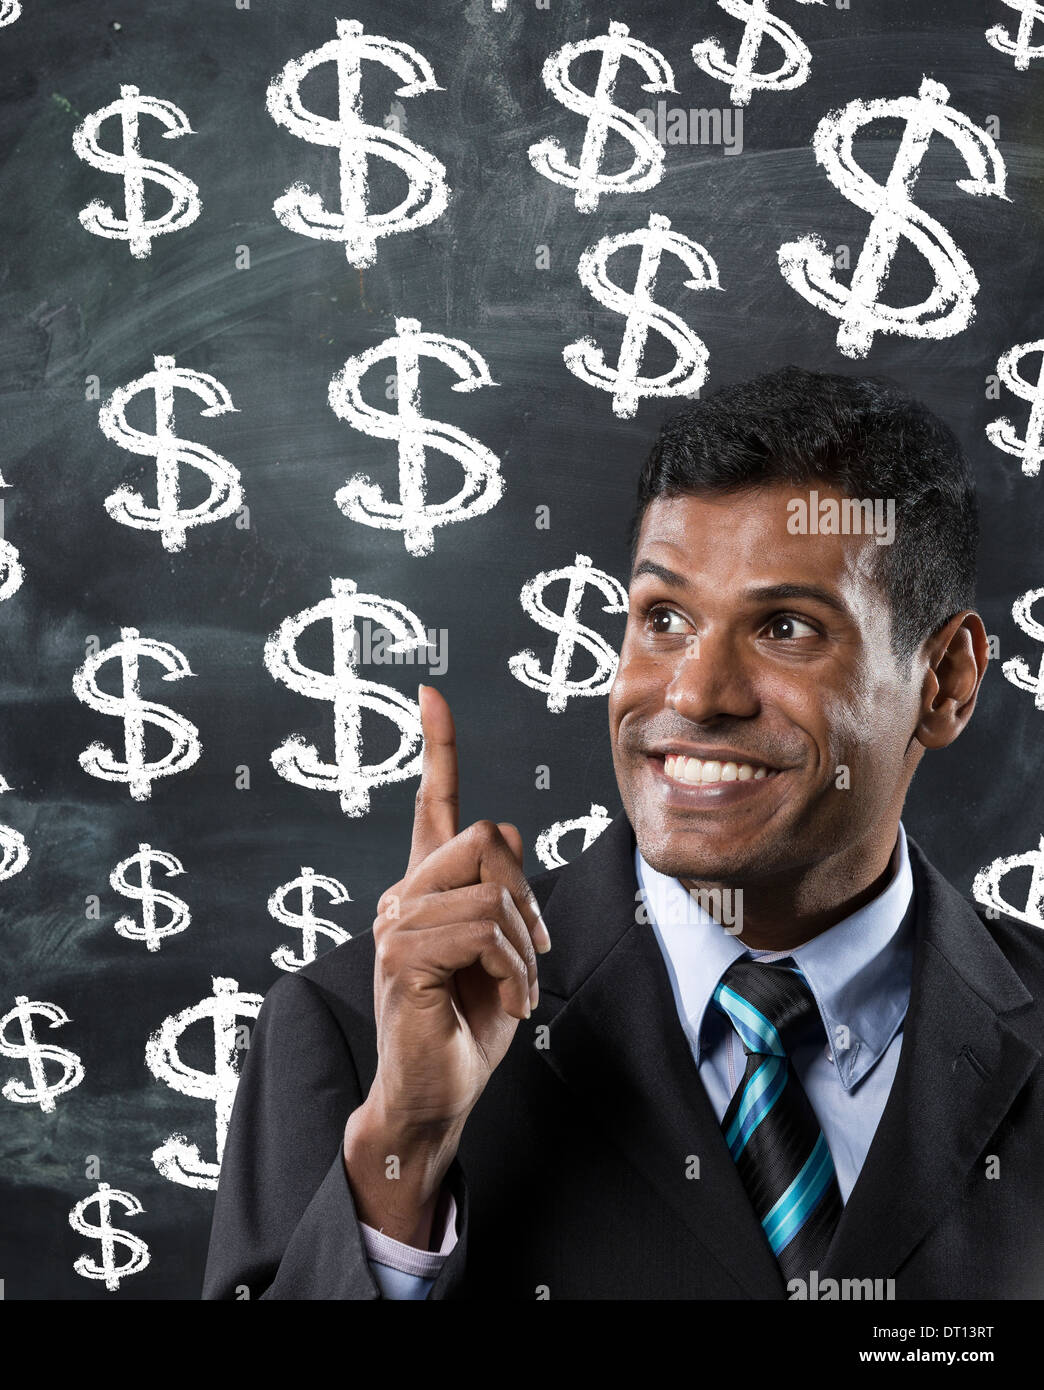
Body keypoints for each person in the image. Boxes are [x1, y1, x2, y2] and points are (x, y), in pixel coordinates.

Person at [203, 365, 1044, 1299]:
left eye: (787, 629)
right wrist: (403, 1155)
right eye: (664, 618)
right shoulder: (356, 1044)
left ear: (948, 680)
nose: (693, 692)